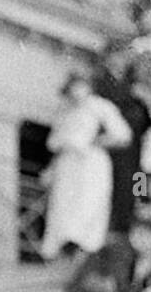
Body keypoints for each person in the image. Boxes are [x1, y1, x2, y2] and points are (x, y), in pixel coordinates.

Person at [40, 73, 132, 262]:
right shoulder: (64, 112)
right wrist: (51, 168)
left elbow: (122, 135)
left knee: (89, 202)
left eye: (80, 86)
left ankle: (86, 249)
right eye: (73, 88)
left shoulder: (100, 107)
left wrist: (95, 142)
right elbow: (57, 143)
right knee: (63, 205)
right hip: (67, 165)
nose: (77, 92)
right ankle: (61, 249)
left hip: (90, 162)